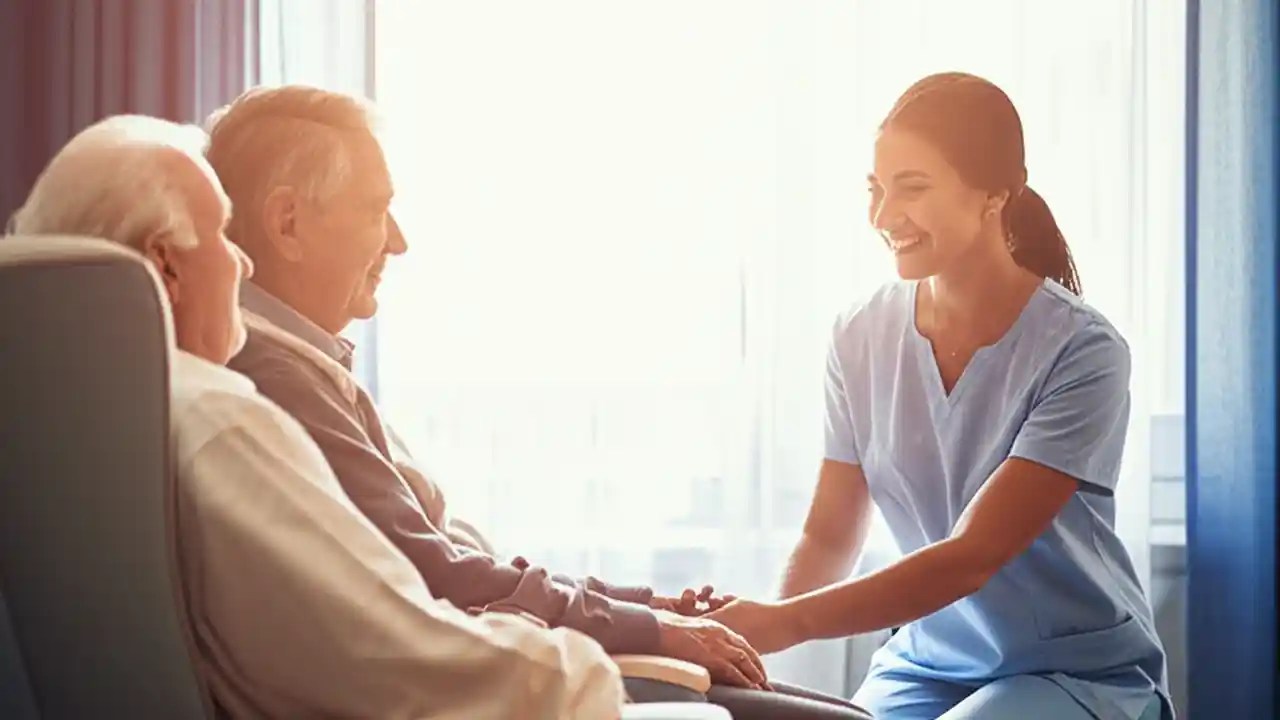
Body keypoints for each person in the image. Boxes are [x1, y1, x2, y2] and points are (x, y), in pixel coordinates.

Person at [205, 84, 872, 720]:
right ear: (288, 225)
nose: (398, 241)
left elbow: (461, 567)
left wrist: (652, 608)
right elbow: (439, 573)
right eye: (377, 209)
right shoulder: (276, 380)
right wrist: (653, 627)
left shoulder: (300, 368)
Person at [8, 115, 625, 718]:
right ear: (166, 265)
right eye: (222, 234)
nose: (243, 264)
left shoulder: (68, 433)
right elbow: (400, 654)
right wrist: (585, 675)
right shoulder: (216, 419)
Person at [706, 73, 1171, 720]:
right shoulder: (860, 335)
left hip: (1071, 669)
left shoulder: (1083, 350)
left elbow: (971, 559)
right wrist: (749, 640)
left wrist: (782, 622)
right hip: (929, 661)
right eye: (875, 188)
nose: (882, 216)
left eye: (913, 187)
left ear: (995, 193)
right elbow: (829, 534)